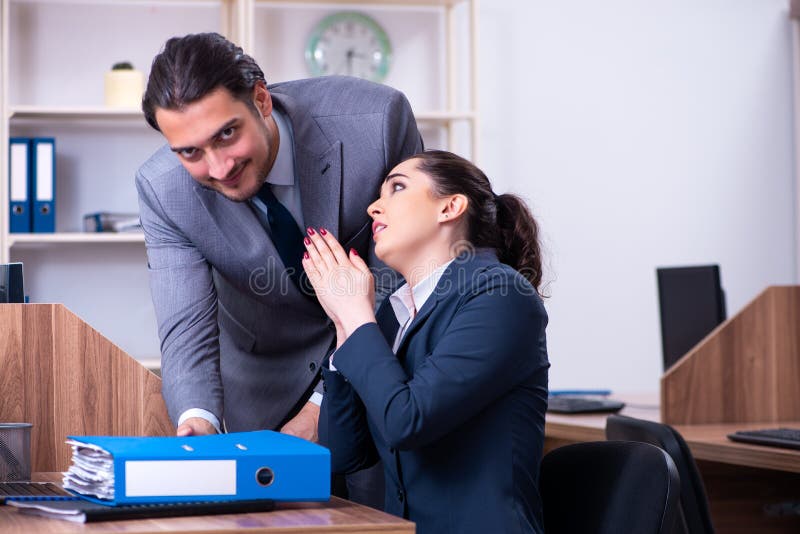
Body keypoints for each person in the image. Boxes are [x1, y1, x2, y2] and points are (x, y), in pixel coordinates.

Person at [135, 32, 422, 506]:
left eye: (227, 134)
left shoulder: (377, 123)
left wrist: (320, 406)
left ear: (262, 101)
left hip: (380, 385)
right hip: (261, 399)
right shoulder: (163, 189)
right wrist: (198, 420)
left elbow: (403, 280)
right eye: (190, 152)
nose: (219, 166)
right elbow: (185, 325)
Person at [304, 150, 550, 534]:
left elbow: (407, 421)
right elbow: (344, 453)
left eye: (396, 188)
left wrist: (356, 315)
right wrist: (343, 324)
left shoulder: (502, 294)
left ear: (450, 207)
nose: (373, 208)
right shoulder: (392, 313)